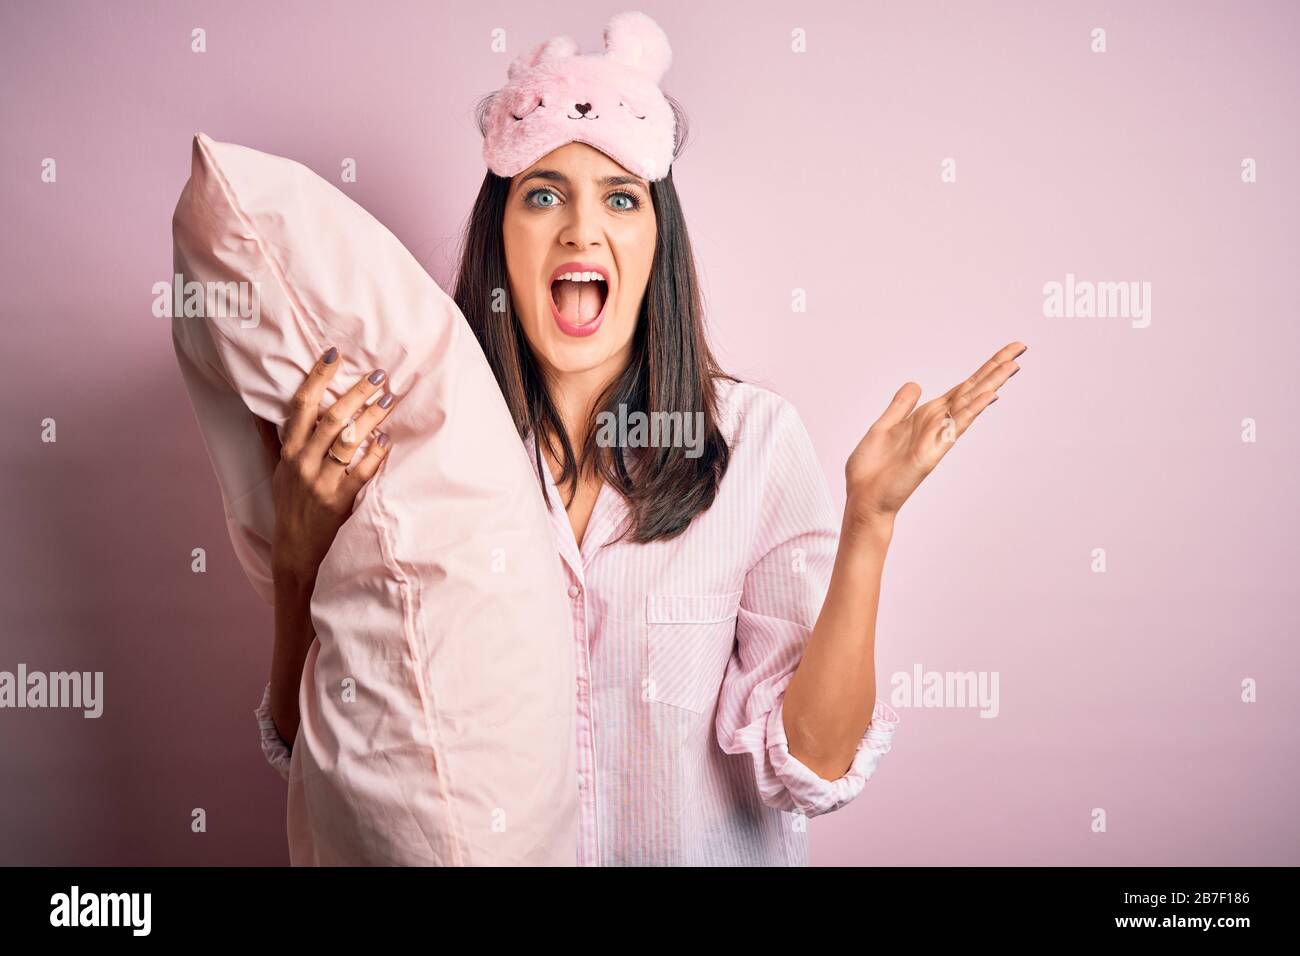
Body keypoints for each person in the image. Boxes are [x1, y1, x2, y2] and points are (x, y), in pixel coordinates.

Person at [253, 11, 1025, 866]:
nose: (582, 230)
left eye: (621, 198)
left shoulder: (757, 445)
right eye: (542, 194)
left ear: (658, 240)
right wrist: (298, 561)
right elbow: (322, 754)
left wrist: (871, 523)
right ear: (498, 234)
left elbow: (812, 762)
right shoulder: (415, 452)